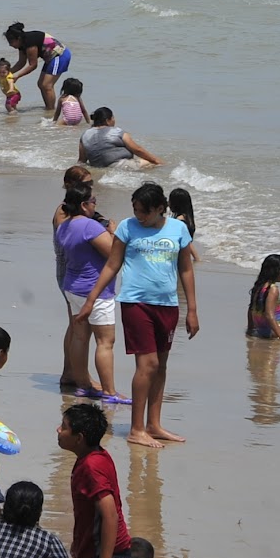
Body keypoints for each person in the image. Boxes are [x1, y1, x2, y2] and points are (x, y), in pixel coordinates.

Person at [82, 182, 197, 448]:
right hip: (135, 303)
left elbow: (186, 269)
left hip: (167, 304)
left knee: (161, 365)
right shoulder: (127, 227)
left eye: (144, 211)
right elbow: (113, 264)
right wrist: (91, 299)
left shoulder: (178, 229)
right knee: (148, 364)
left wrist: (192, 310)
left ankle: (153, 424)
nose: (139, 216)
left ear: (160, 208)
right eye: (135, 210)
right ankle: (136, 429)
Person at [56, 403, 132, 558]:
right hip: (101, 553)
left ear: (79, 438)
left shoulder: (91, 467)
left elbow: (110, 514)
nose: (58, 430)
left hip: (106, 556)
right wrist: (80, 544)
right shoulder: (96, 456)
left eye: (64, 427)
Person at [57, 185, 126, 402]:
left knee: (80, 336)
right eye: (93, 201)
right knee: (105, 341)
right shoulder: (89, 226)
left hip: (72, 286)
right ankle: (109, 392)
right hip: (95, 291)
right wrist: (113, 232)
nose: (96, 205)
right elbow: (114, 253)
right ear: (84, 205)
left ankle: (83, 385)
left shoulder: (63, 226)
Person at [3, 23, 70, 110]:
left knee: (47, 85)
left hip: (60, 55)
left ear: (18, 39)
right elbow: (21, 63)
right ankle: (48, 109)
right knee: (41, 84)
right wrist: (7, 72)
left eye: (11, 42)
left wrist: (17, 76)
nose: (10, 45)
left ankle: (51, 111)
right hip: (50, 58)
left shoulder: (30, 42)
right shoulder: (22, 44)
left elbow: (33, 65)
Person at [78, 108, 162, 168]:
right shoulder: (117, 132)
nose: (114, 120)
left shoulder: (85, 135)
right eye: (113, 118)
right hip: (119, 166)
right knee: (150, 162)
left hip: (97, 166)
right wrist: (156, 161)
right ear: (107, 120)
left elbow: (82, 160)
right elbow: (138, 150)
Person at [247, 253, 280, 339]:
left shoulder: (259, 286)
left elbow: (250, 309)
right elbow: (269, 314)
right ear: (278, 272)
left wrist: (250, 328)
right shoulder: (273, 289)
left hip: (260, 327)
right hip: (270, 329)